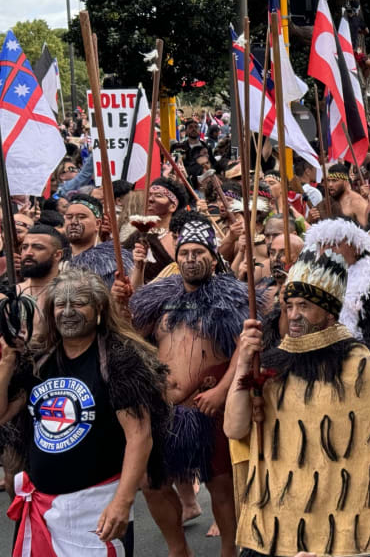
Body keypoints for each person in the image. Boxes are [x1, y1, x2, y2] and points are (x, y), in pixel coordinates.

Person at [225, 246, 370, 556]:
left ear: (329, 311)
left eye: (305, 306)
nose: (293, 315)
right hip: (276, 521)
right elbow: (234, 428)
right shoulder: (271, 364)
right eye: (290, 305)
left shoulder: (358, 364)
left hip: (338, 525)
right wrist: (243, 364)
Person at [0, 269, 170, 557]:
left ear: (100, 309)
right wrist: (6, 366)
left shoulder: (120, 359)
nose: (68, 312)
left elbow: (140, 436)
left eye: (78, 303)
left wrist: (122, 502)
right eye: (60, 304)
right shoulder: (38, 360)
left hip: (97, 506)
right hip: (41, 505)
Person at [123, 218, 255, 557]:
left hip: (208, 406)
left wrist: (222, 390)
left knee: (221, 484)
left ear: (213, 257)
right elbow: (132, 333)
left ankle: (229, 550)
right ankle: (178, 550)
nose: (191, 259)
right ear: (176, 258)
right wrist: (131, 281)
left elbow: (247, 343)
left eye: (199, 252)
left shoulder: (232, 296)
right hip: (164, 407)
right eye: (184, 253)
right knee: (152, 483)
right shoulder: (158, 299)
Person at [65, 194, 134, 287]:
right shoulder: (55, 258)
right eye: (69, 217)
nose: (73, 222)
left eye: (81, 217)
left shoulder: (112, 262)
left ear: (98, 224)